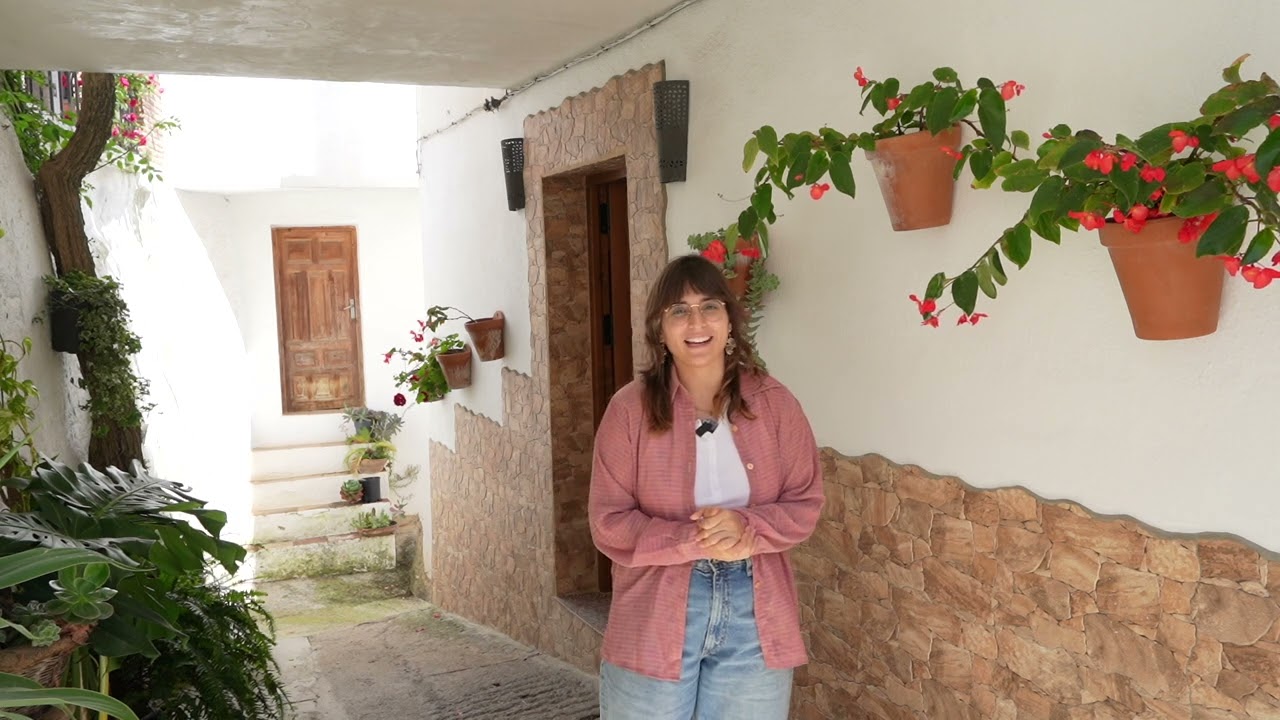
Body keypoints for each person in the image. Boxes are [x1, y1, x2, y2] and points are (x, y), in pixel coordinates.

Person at [588, 253, 825, 719]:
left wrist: (746, 529)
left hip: (755, 612)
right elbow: (608, 522)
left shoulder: (775, 404)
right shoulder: (629, 411)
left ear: (730, 321)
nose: (696, 322)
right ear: (660, 329)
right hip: (656, 611)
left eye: (709, 306)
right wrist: (690, 539)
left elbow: (805, 502)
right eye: (679, 310)